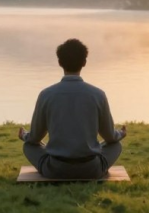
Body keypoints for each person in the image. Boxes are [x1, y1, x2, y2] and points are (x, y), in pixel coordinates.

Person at [18, 38, 127, 179]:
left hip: (55, 169)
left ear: (59, 62)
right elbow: (110, 137)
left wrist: (24, 136)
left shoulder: (46, 94)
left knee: (28, 146)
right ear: (84, 62)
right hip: (91, 169)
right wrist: (120, 134)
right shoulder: (98, 94)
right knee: (116, 146)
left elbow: (35, 138)